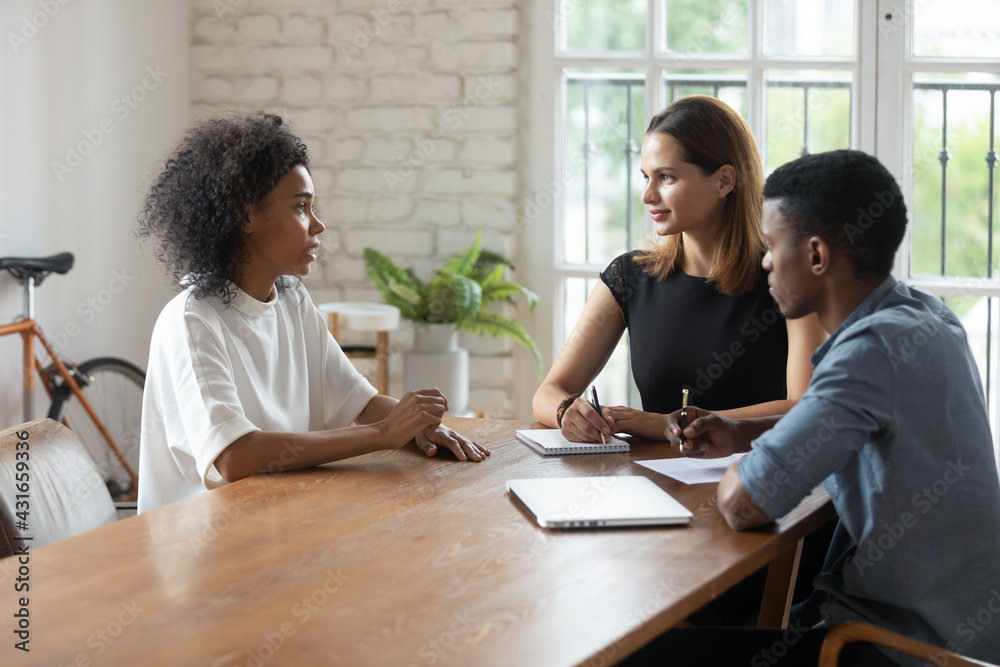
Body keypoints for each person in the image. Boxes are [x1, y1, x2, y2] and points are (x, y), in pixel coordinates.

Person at [627, 149, 1000, 665]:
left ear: (817, 256)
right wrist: (744, 432)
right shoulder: (927, 317)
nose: (764, 261)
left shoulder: (867, 354)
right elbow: (853, 424)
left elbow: (742, 505)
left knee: (636, 650)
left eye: (772, 245)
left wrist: (748, 465)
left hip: (896, 649)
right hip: (960, 634)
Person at [136, 112, 489, 513]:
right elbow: (234, 456)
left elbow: (358, 401)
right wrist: (384, 434)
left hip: (276, 521)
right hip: (201, 539)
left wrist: (421, 429)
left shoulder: (292, 299)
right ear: (245, 214)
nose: (318, 225)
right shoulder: (193, 319)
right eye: (301, 206)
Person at [532, 95, 827, 444]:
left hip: (755, 473)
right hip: (649, 475)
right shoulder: (629, 277)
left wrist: (665, 423)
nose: (647, 195)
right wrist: (567, 413)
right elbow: (549, 391)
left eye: (666, 177)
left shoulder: (788, 277)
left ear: (724, 181)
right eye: (646, 177)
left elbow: (803, 407)